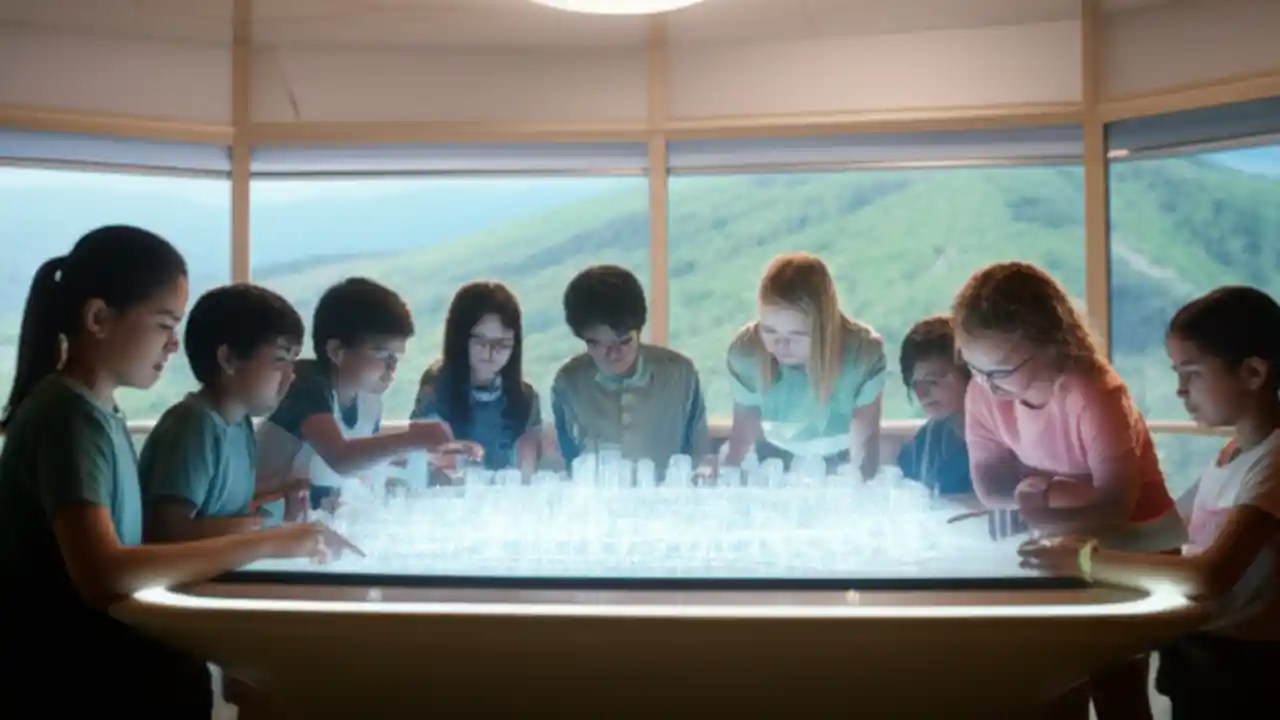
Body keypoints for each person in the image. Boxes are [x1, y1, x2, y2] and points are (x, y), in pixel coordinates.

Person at [0, 226, 356, 716]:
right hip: (73, 679)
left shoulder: (96, 413)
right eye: (164, 325)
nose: (173, 347)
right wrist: (269, 540)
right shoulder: (68, 418)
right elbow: (103, 573)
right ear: (99, 318)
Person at [1020, 286, 1280, 720]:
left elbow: (1210, 574)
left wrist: (1086, 561)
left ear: (1253, 373)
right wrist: (1062, 534)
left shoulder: (1273, 462)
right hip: (1204, 655)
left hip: (1249, 672)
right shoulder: (1234, 453)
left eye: (1192, 373)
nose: (1180, 391)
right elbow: (1159, 533)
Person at [952, 260, 1183, 720]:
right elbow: (989, 483)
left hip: (1139, 544)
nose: (986, 386)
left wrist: (1035, 502)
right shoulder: (984, 392)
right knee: (1053, 684)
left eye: (1000, 370)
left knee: (1118, 687)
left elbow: (1116, 505)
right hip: (1060, 542)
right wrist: (1047, 495)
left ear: (1049, 344)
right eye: (973, 369)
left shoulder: (1091, 391)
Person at [255, 278, 478, 515]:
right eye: (382, 354)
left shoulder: (368, 403)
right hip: (256, 525)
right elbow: (341, 458)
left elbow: (361, 468)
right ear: (335, 352)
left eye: (397, 357)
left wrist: (427, 465)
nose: (392, 367)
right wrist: (414, 439)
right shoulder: (306, 385)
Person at [140, 284, 303, 542]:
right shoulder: (194, 426)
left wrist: (285, 502)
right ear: (228, 359)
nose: (290, 375)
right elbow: (168, 532)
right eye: (280, 359)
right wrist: (265, 530)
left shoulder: (240, 424)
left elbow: (225, 506)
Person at [723, 253, 886, 479]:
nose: (781, 345)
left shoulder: (862, 356)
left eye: (797, 335)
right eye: (770, 331)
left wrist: (862, 492)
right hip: (770, 462)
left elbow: (865, 444)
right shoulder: (746, 354)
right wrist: (726, 475)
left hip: (842, 464)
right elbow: (743, 431)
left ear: (825, 328)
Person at [551, 265, 710, 471]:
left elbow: (699, 455)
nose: (614, 354)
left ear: (639, 330)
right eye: (599, 345)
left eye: (624, 341)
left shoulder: (680, 375)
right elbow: (565, 462)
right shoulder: (569, 383)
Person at [412, 282, 542, 478]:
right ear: (460, 338)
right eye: (481, 341)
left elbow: (528, 470)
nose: (490, 353)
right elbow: (424, 462)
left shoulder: (525, 398)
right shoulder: (436, 389)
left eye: (503, 344)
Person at [896, 315, 973, 496]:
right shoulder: (924, 443)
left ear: (970, 372)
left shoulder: (1007, 439)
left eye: (933, 380)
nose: (923, 394)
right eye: (915, 385)